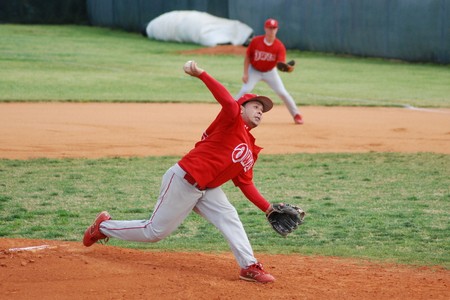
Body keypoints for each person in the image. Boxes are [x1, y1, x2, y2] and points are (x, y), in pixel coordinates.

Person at [83, 60, 280, 283]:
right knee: (154, 232)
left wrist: (268, 208)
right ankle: (104, 227)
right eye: (255, 106)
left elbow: (245, 184)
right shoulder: (231, 119)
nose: (260, 112)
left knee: (229, 217)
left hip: (208, 189)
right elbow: (227, 100)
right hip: (184, 180)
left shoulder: (250, 150)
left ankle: (249, 266)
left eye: (262, 110)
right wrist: (202, 74)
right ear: (242, 108)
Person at [236, 18, 304, 125]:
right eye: (270, 28)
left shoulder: (279, 46)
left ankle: (296, 115)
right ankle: (230, 112)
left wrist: (285, 68)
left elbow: (280, 64)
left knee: (283, 93)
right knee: (245, 90)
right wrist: (245, 73)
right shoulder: (256, 41)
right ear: (265, 28)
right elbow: (248, 57)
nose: (272, 30)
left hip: (270, 72)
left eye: (274, 28)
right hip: (254, 70)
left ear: (277, 29)